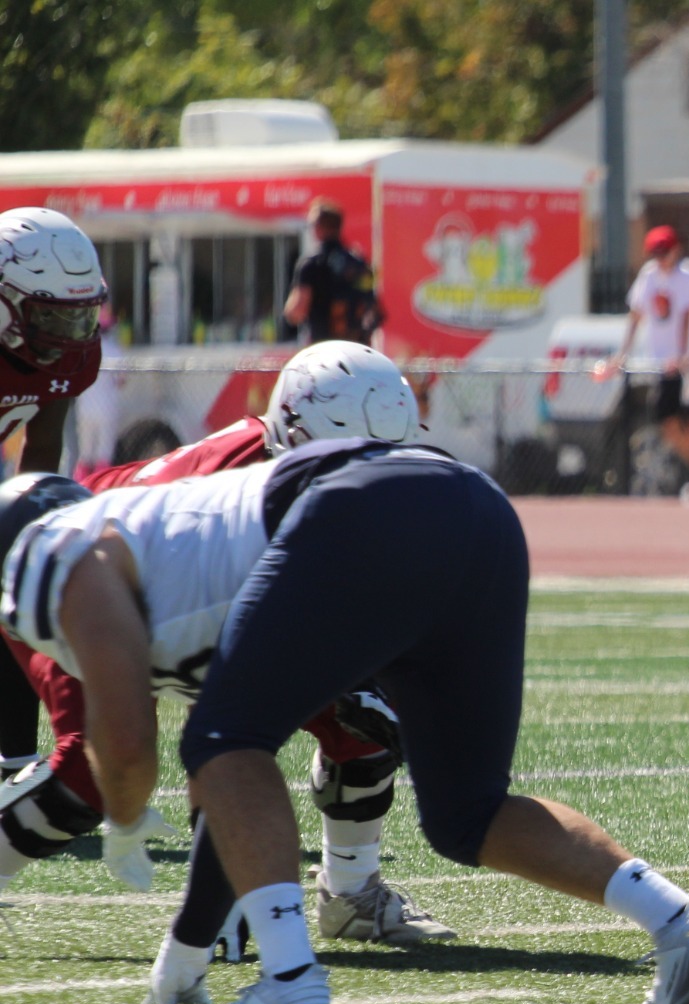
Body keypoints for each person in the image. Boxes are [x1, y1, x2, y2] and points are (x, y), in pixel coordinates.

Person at [0, 440, 689, 1004]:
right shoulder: (173, 563)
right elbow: (228, 783)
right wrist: (185, 954)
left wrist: (126, 821)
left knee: (225, 738)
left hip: (363, 507)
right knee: (466, 813)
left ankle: (291, 983)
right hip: (474, 509)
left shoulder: (53, 548)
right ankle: (680, 919)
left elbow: (135, 743)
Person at [0, 342, 453, 950]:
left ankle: (353, 895)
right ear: (292, 436)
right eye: (345, 459)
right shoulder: (228, 493)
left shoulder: (320, 490)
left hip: (169, 611)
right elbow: (212, 698)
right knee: (93, 773)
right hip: (71, 580)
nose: (367, 477)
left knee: (365, 729)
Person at [0, 207, 107, 781]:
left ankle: (11, 756)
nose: (67, 336)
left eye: (77, 317)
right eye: (49, 316)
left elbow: (41, 450)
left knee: (14, 573)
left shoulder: (71, 353)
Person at [605, 225, 689, 495]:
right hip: (662, 364)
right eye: (655, 253)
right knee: (668, 421)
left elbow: (687, 317)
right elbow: (637, 315)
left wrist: (684, 356)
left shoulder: (687, 276)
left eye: (664, 252)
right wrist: (622, 352)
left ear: (676, 250)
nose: (660, 259)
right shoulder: (648, 277)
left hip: (687, 362)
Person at [283, 198, 382, 347]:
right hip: (357, 351)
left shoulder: (311, 264)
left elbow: (296, 311)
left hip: (324, 351)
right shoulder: (359, 263)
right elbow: (376, 310)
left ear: (318, 228)